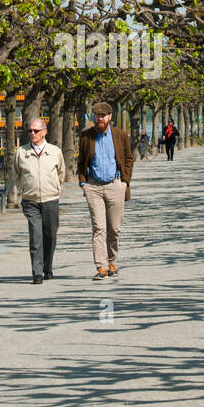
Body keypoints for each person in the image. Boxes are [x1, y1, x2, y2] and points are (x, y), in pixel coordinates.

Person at [77, 101, 134, 280]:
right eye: (97, 115)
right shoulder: (86, 136)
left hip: (115, 184)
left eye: (103, 115)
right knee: (99, 228)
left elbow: (128, 159)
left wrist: (125, 182)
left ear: (110, 117)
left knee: (114, 228)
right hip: (93, 186)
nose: (100, 118)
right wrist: (83, 184)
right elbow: (81, 162)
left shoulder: (120, 135)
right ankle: (101, 267)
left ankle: (111, 260)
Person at [13, 117, 65, 284]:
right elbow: (15, 175)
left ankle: (47, 267)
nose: (32, 134)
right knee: (36, 236)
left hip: (50, 199)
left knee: (50, 235)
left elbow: (61, 172)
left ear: (44, 132)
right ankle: (37, 273)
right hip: (30, 200)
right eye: (30, 131)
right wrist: (22, 190)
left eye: (36, 131)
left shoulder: (55, 151)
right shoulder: (21, 152)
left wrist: (55, 187)